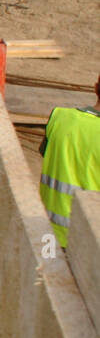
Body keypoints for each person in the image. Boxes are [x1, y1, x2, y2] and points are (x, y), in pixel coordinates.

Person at [38, 73, 100, 248]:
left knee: (44, 275)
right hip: (88, 245)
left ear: (96, 88)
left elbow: (46, 154)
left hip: (47, 235)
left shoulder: (59, 117)